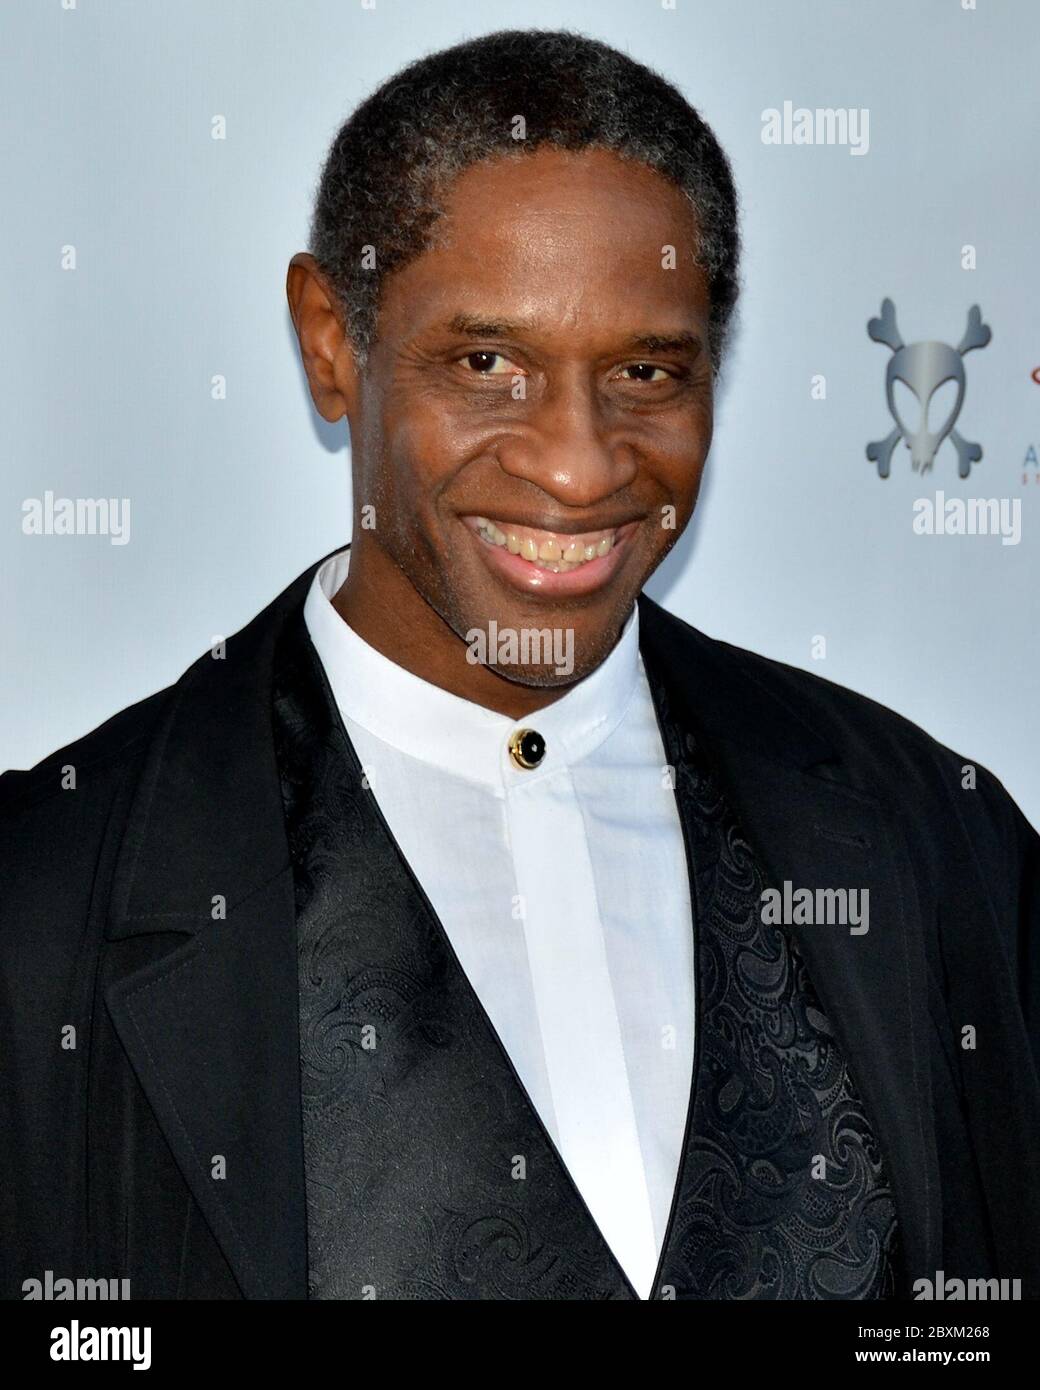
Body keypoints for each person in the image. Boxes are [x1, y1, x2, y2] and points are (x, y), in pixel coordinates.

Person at [3, 28, 1038, 1302]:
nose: (578, 463)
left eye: (644, 371)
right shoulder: (47, 893)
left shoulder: (940, 842)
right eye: (487, 364)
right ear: (332, 341)